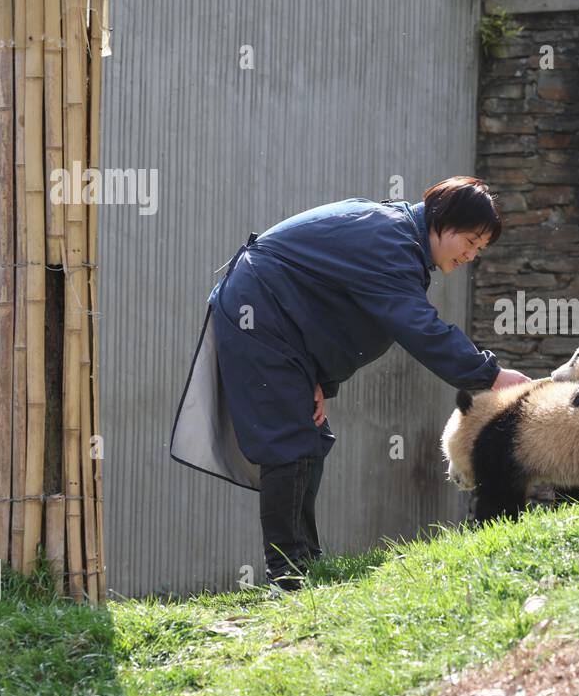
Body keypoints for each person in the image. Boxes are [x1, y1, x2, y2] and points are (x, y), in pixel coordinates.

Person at [169, 177, 531, 593]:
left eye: (480, 248)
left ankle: (305, 567)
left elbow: (332, 301)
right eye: (469, 240)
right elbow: (419, 327)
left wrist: (316, 378)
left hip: (280, 322)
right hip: (260, 315)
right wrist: (490, 375)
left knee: (309, 435)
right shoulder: (390, 240)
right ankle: (287, 578)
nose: (471, 254)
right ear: (441, 221)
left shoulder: (397, 236)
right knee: (290, 442)